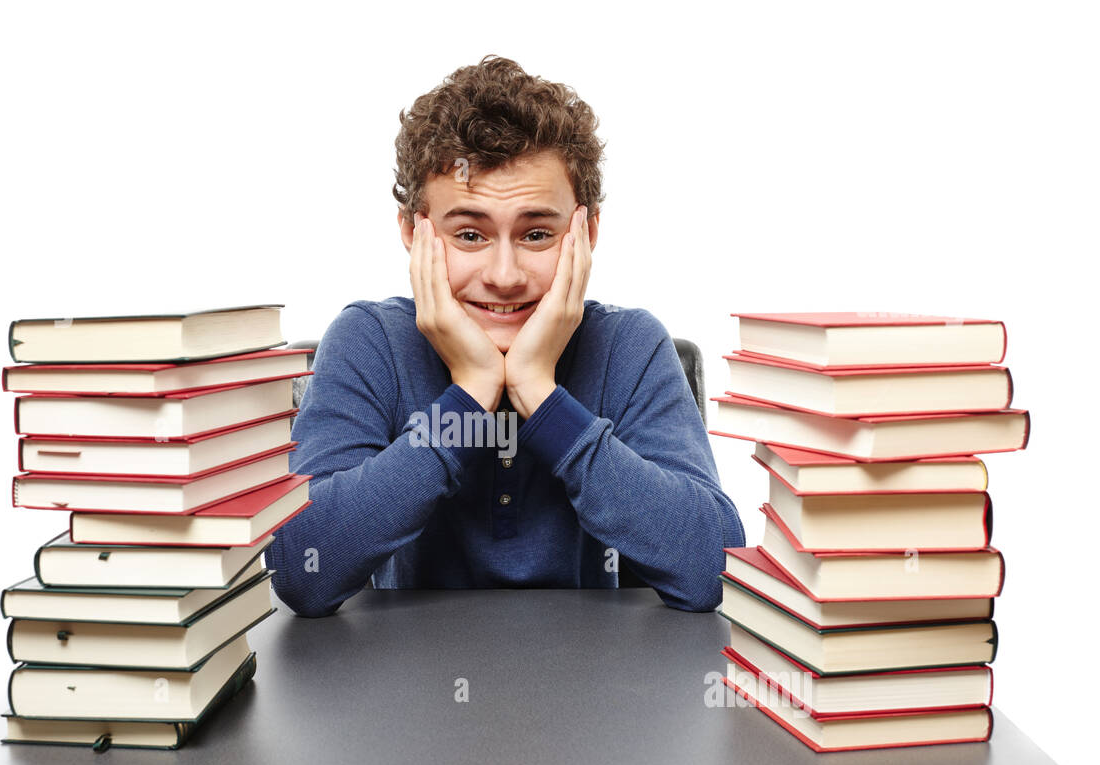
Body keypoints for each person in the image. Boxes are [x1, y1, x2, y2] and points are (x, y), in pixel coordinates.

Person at [265, 55, 744, 617]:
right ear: (410, 232)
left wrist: (540, 394)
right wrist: (468, 394)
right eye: (469, 234)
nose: (505, 274)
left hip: (600, 684)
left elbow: (716, 567)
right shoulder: (370, 342)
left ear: (586, 234)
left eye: (537, 233)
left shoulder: (629, 346)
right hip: (404, 687)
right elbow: (301, 569)